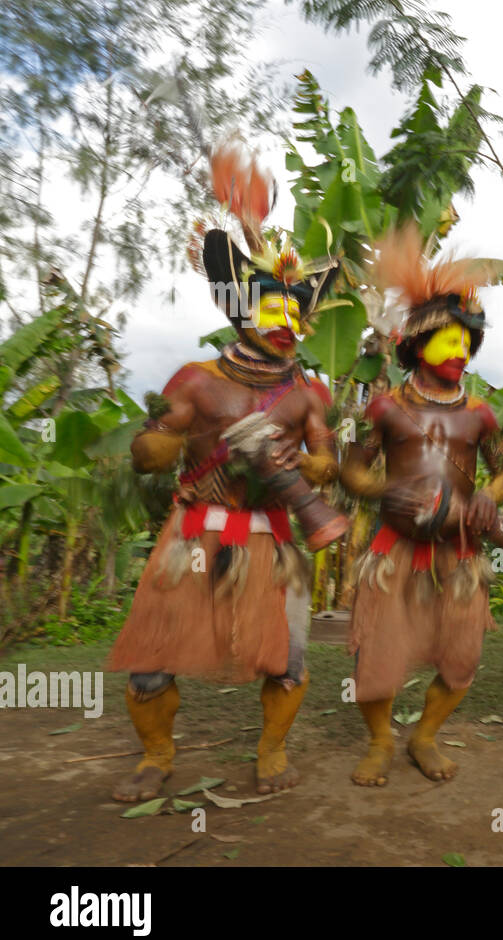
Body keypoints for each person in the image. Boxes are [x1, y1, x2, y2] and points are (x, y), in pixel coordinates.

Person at [108, 138, 341, 800]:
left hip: (271, 534)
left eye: (298, 311)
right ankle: (156, 754)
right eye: (275, 308)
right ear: (242, 310)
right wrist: (164, 443)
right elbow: (148, 450)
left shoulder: (308, 394)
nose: (290, 322)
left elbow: (326, 463)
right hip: (193, 534)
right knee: (152, 662)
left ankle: (271, 750)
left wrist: (307, 465)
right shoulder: (198, 379)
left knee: (287, 661)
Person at [342, 226, 503, 787]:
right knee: (375, 660)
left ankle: (424, 736)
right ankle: (380, 740)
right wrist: (383, 491)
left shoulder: (482, 414)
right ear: (418, 343)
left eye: (468, 342)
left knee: (462, 659)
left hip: (459, 553)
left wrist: (489, 501)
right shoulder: (384, 408)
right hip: (395, 548)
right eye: (449, 340)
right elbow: (350, 472)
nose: (461, 351)